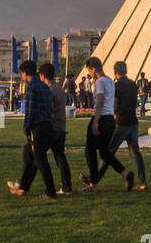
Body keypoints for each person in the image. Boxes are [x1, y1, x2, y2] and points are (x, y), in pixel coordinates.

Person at [5, 60, 56, 199]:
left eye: (21, 74)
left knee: (40, 160)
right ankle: (23, 188)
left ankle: (50, 191)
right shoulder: (45, 87)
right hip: (47, 125)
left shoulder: (31, 86)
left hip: (38, 127)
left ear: (24, 73)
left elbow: (30, 110)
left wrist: (26, 128)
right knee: (29, 155)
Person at [81, 58, 126, 191]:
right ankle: (125, 173)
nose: (89, 73)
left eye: (89, 70)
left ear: (93, 68)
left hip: (100, 118)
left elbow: (99, 102)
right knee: (104, 153)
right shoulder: (110, 81)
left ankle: (93, 183)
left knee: (89, 151)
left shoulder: (100, 81)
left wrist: (95, 122)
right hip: (109, 119)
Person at [107, 61, 145, 192]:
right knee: (135, 153)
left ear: (116, 72)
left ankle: (94, 181)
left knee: (108, 152)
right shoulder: (133, 84)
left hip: (122, 122)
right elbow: (134, 102)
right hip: (133, 122)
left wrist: (113, 115)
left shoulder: (117, 85)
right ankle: (142, 182)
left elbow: (115, 103)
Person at [38, 63, 72, 195]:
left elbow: (50, 110)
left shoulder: (49, 90)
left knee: (38, 156)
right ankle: (66, 186)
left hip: (52, 128)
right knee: (60, 157)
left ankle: (26, 184)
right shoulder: (58, 88)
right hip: (61, 126)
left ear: (42, 75)